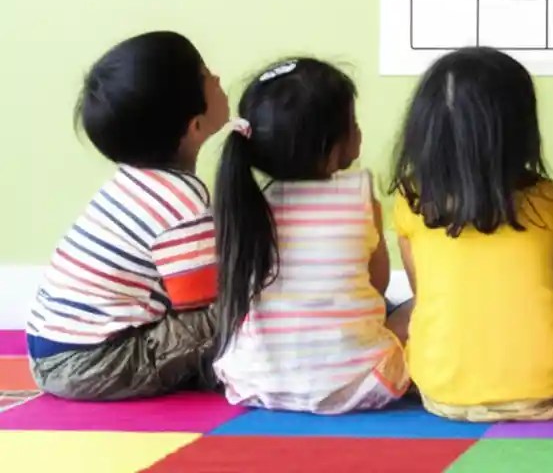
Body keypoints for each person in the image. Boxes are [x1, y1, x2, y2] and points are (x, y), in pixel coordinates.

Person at [389, 47, 553, 422]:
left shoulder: (412, 200)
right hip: (549, 397)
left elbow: (424, 294)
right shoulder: (546, 198)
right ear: (521, 128)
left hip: (443, 395)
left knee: (399, 314)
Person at [26, 31, 229, 400]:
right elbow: (201, 306)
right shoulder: (182, 202)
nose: (217, 76)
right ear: (194, 126)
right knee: (234, 309)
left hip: (52, 352)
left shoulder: (134, 181)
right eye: (205, 74)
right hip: (95, 362)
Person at [211, 58, 410, 414]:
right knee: (415, 310)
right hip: (362, 384)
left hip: (255, 382)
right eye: (353, 123)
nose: (359, 130)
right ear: (330, 148)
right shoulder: (359, 194)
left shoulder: (248, 205)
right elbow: (377, 284)